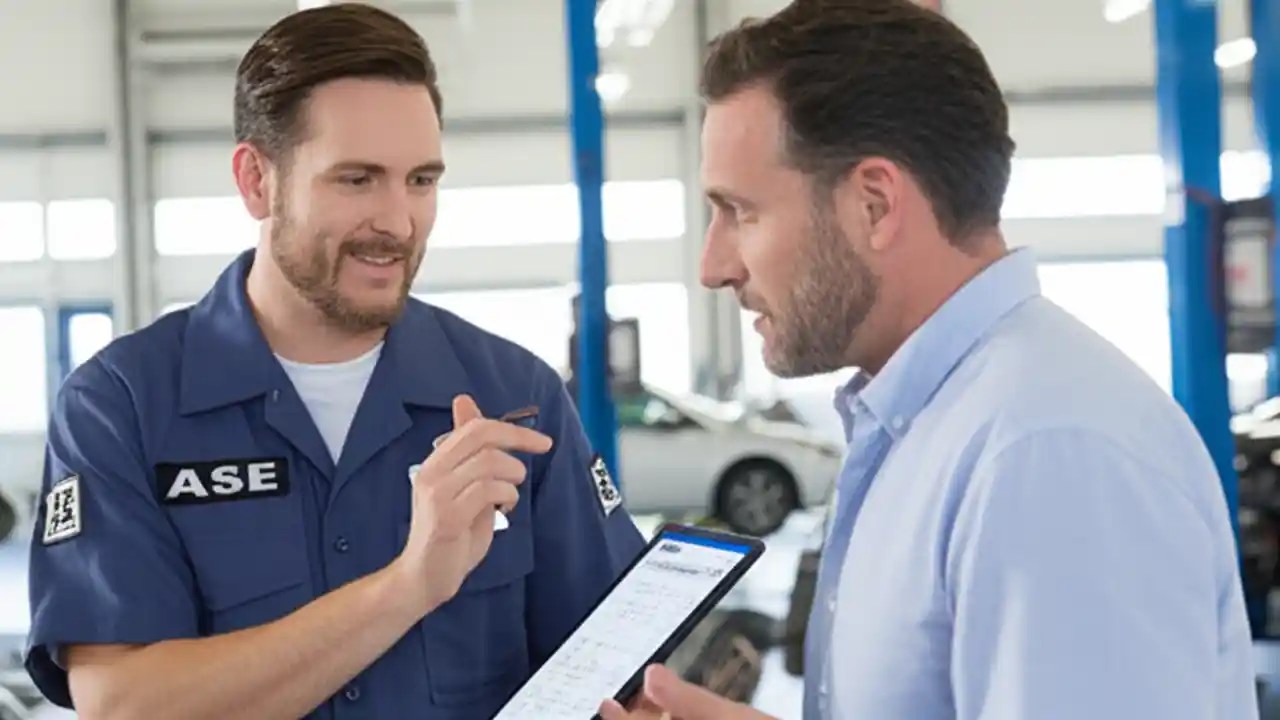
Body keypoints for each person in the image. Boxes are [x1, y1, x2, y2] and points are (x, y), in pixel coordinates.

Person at [601, 0, 1259, 718]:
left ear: (876, 205)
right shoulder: (934, 423)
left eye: (741, 213)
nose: (713, 265)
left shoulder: (1047, 451)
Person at [24, 4, 647, 718]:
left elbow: (612, 665)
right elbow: (124, 703)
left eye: (421, 180)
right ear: (257, 181)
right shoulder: (123, 408)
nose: (398, 222)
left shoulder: (514, 397)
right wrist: (409, 584)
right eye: (357, 179)